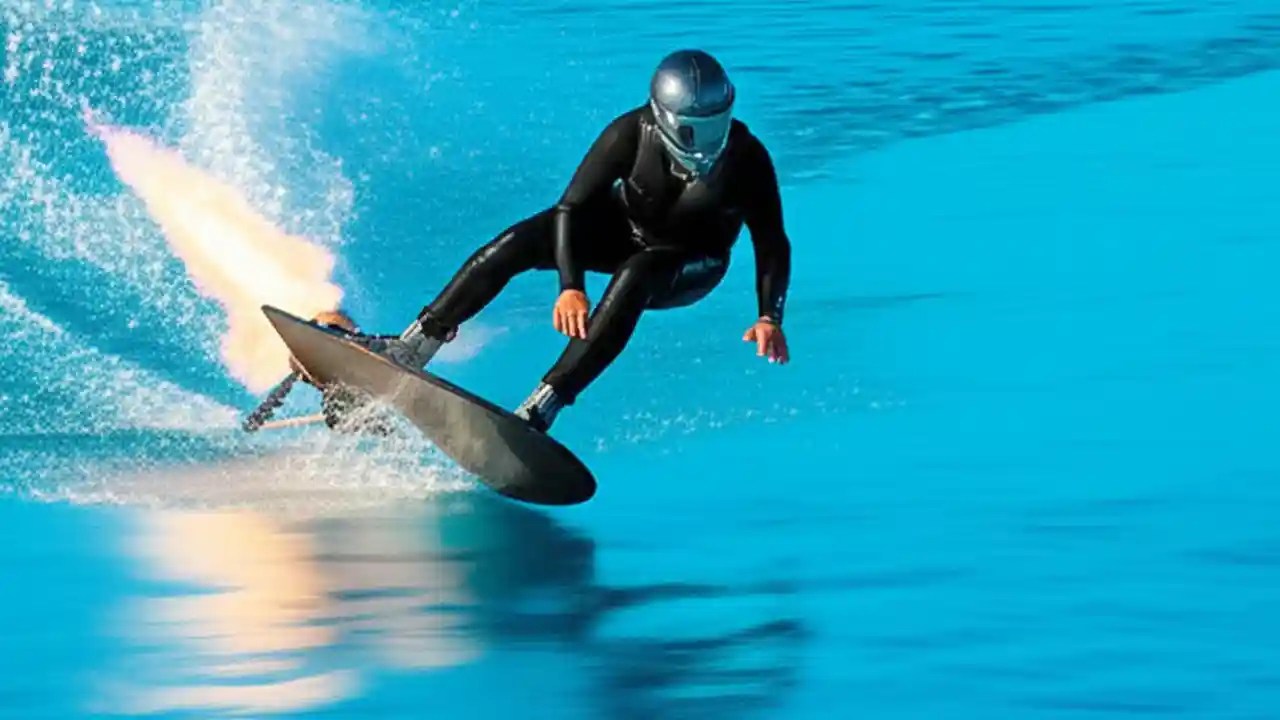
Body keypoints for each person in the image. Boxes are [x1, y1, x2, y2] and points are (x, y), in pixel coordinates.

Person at [366, 48, 792, 432]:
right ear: (663, 117)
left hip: (691, 262)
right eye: (694, 130)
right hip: (626, 230)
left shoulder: (748, 160)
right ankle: (416, 342)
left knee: (636, 273)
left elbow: (772, 242)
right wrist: (571, 286)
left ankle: (543, 405)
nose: (708, 142)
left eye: (718, 123)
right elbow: (570, 208)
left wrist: (769, 316)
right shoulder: (630, 132)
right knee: (522, 240)